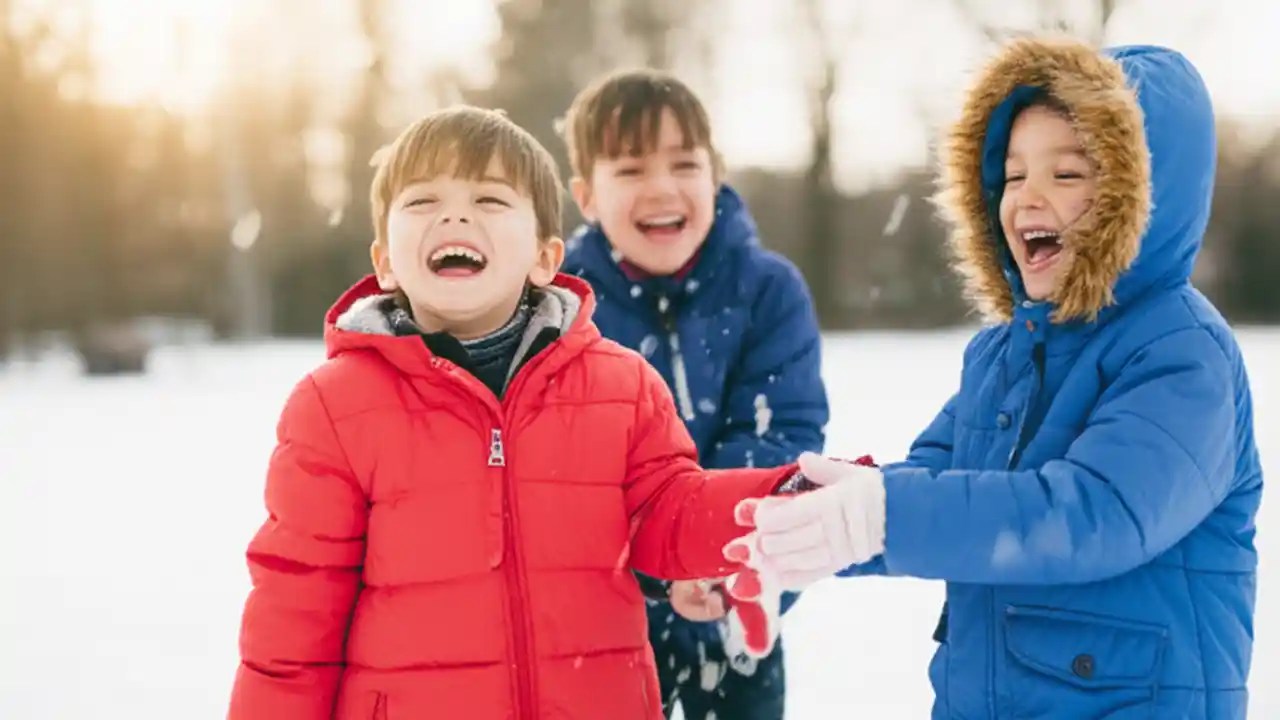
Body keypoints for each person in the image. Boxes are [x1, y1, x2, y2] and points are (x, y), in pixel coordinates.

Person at [729, 38, 1262, 720]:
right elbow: (932, 478)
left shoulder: (1183, 355)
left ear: (1142, 200)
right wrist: (818, 516)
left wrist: (878, 518)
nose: (1026, 198)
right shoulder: (1004, 354)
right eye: (1011, 177)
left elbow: (1091, 514)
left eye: (1066, 175)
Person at [227, 105, 798, 720]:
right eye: (422, 202)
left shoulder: (622, 386)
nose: (455, 215)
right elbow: (294, 618)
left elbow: (671, 514)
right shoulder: (336, 408)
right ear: (386, 261)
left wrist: (783, 496)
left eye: (490, 201)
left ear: (545, 258)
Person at [561, 68, 828, 719]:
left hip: (737, 610)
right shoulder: (560, 307)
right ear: (586, 195)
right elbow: (566, 476)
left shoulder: (767, 291)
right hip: (599, 631)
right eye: (628, 170)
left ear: (716, 174)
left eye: (684, 164)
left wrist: (711, 561)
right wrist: (658, 572)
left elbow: (780, 439)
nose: (661, 188)